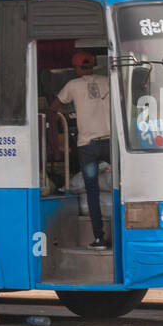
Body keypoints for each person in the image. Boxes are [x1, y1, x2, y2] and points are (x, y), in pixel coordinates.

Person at [49, 52, 112, 248]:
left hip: (88, 146)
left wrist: (67, 112)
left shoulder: (73, 85)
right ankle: (123, 232)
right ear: (92, 66)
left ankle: (99, 237)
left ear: (76, 68)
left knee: (92, 192)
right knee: (119, 188)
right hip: (109, 144)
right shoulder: (107, 81)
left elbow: (54, 106)